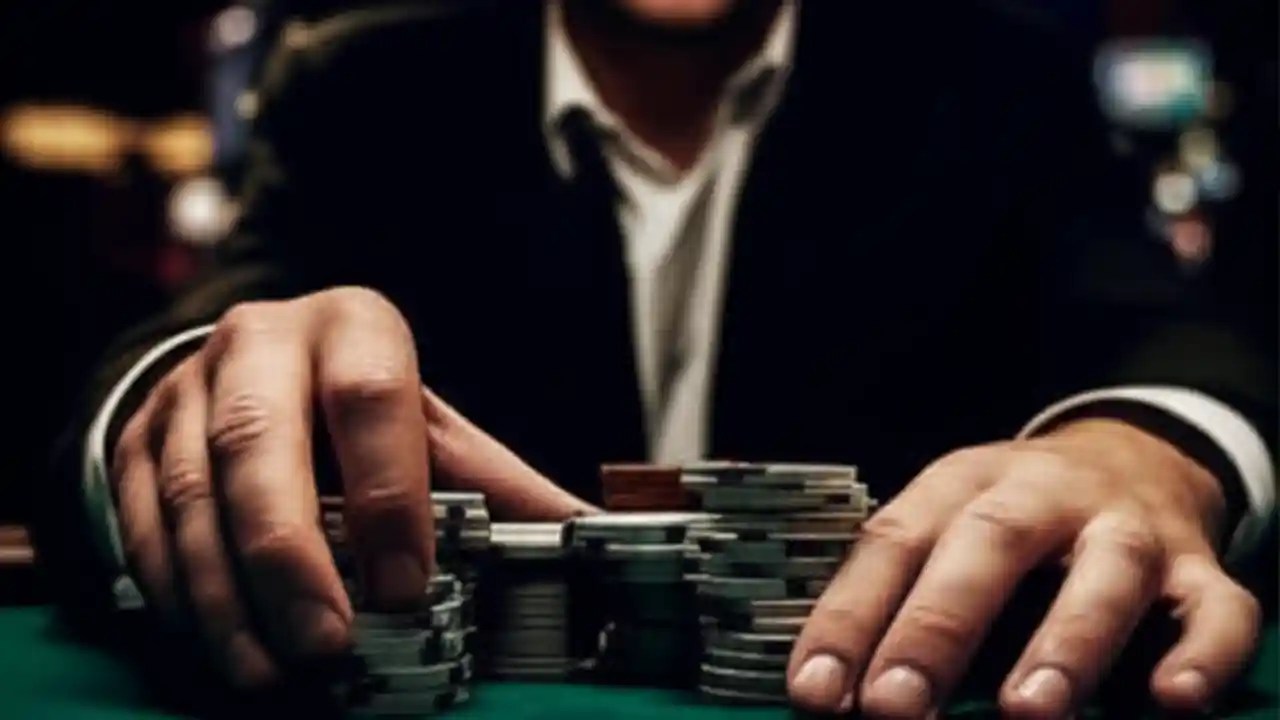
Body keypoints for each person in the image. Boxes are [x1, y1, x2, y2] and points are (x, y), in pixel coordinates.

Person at [34, 1, 1275, 719]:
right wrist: (180, 394)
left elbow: (1160, 326)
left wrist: (1143, 448)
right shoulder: (361, 80)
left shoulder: (991, 71)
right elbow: (207, 324)